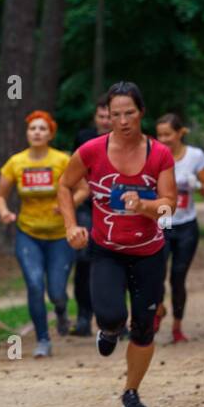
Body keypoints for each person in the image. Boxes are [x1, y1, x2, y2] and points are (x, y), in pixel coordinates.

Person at [57, 81, 176, 407]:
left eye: (130, 113)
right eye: (115, 114)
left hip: (148, 252)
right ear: (107, 116)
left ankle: (131, 391)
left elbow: (170, 205)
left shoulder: (159, 154)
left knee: (144, 325)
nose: (123, 121)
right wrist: (70, 226)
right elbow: (65, 186)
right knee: (111, 315)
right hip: (106, 249)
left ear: (141, 113)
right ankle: (108, 330)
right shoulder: (92, 150)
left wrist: (145, 206)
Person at [0, 110, 74, 357]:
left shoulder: (62, 160)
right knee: (34, 284)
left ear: (50, 134)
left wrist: (65, 205)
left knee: (57, 292)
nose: (37, 132)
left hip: (60, 236)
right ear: (27, 133)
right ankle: (43, 339)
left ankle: (61, 310)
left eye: (42, 129)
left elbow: (82, 190)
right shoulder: (16, 163)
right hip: (28, 234)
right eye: (32, 128)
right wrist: (5, 212)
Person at [154, 113, 204, 343]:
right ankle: (157, 310)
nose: (164, 139)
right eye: (160, 135)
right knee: (156, 274)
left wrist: (195, 183)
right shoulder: (154, 154)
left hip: (187, 224)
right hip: (163, 220)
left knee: (178, 277)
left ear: (179, 133)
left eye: (167, 134)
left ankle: (177, 327)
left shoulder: (196, 156)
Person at [70, 97, 111, 335]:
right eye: (102, 116)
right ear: (96, 118)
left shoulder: (125, 140)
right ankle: (84, 316)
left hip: (115, 208)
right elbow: (72, 171)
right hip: (87, 206)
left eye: (109, 116)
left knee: (118, 260)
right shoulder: (84, 138)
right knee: (84, 259)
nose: (106, 121)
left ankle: (115, 318)